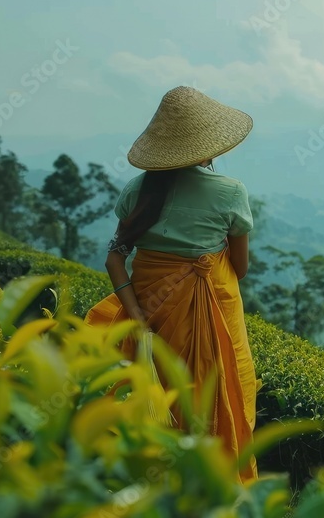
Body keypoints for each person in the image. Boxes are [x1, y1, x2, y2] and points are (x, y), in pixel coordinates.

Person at [84, 86, 258, 482]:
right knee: (214, 397)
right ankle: (210, 487)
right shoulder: (231, 192)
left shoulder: (138, 190)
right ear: (206, 146)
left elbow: (115, 257)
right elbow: (241, 268)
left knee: (153, 394)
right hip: (209, 309)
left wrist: (135, 315)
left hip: (147, 311)